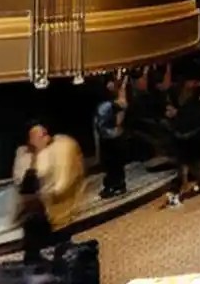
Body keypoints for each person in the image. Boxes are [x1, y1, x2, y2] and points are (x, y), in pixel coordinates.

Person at [11, 120, 85, 260]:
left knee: (61, 247)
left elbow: (64, 182)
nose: (43, 137)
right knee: (35, 249)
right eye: (37, 136)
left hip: (58, 211)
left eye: (44, 133)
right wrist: (37, 155)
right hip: (36, 213)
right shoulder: (23, 155)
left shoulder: (62, 145)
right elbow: (24, 184)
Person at [95, 74, 129, 198]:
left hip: (112, 137)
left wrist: (123, 86)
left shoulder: (109, 103)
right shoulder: (106, 104)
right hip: (108, 137)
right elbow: (122, 105)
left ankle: (117, 185)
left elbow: (123, 106)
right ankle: (114, 185)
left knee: (115, 164)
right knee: (111, 164)